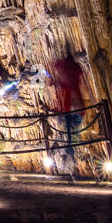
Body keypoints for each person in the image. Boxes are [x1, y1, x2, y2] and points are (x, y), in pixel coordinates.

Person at [47, 46, 87, 175]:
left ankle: (73, 161)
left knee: (70, 135)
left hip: (71, 109)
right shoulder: (71, 79)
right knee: (70, 135)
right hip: (73, 109)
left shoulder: (68, 81)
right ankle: (71, 161)